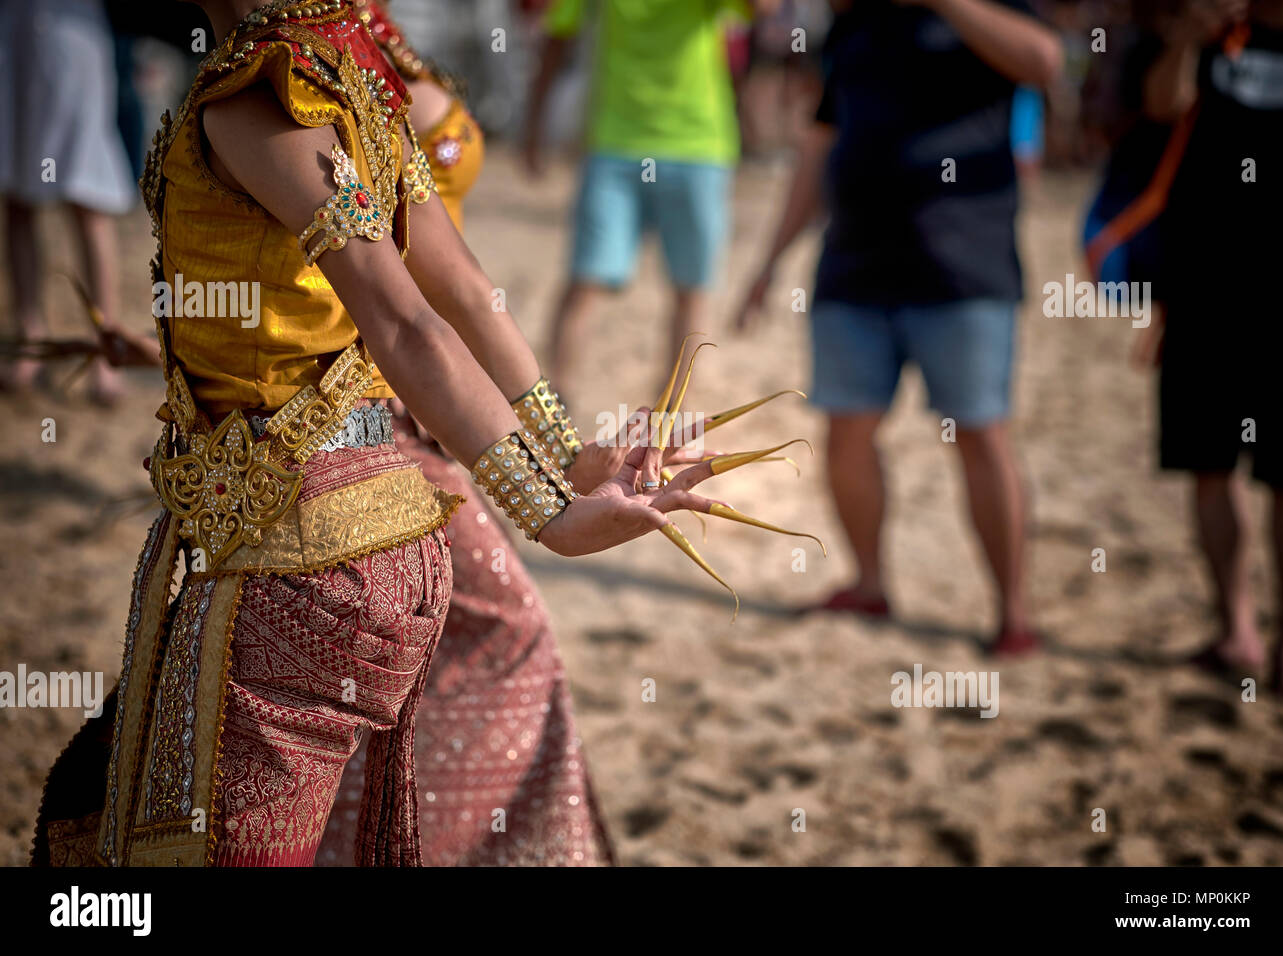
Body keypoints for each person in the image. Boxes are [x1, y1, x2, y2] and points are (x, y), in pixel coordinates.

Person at [32, 0, 734, 867]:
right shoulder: (352, 85)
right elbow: (463, 294)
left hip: (293, 550)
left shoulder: (262, 96)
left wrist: (549, 507)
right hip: (381, 537)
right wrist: (566, 459)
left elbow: (410, 324)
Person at [316, 0, 663, 866]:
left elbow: (460, 292)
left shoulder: (361, 50)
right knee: (478, 641)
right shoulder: (287, 81)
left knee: (486, 641)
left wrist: (567, 460)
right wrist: (548, 502)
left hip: (430, 401)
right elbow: (402, 321)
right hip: (351, 422)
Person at [734, 0, 1063, 655]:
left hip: (964, 267)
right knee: (846, 429)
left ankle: (1013, 614)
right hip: (853, 266)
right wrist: (769, 260)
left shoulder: (989, 11)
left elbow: (1045, 63)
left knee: (980, 433)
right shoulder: (855, 23)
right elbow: (820, 146)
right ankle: (870, 584)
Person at [1141, 0, 1283, 694]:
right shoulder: (1214, 36)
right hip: (1203, 288)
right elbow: (1160, 106)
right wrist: (1188, 34)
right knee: (1208, 465)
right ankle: (1236, 624)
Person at [523, 0, 773, 396]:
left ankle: (670, 411)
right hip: (620, 144)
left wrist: (534, 122)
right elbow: (559, 33)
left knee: (690, 288)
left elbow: (765, 8)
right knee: (587, 282)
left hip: (696, 146)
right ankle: (559, 400)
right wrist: (534, 123)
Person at [0, 0, 135, 401]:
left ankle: (104, 347)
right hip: (12, 29)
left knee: (87, 196)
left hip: (72, 29)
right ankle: (30, 339)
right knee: (17, 196)